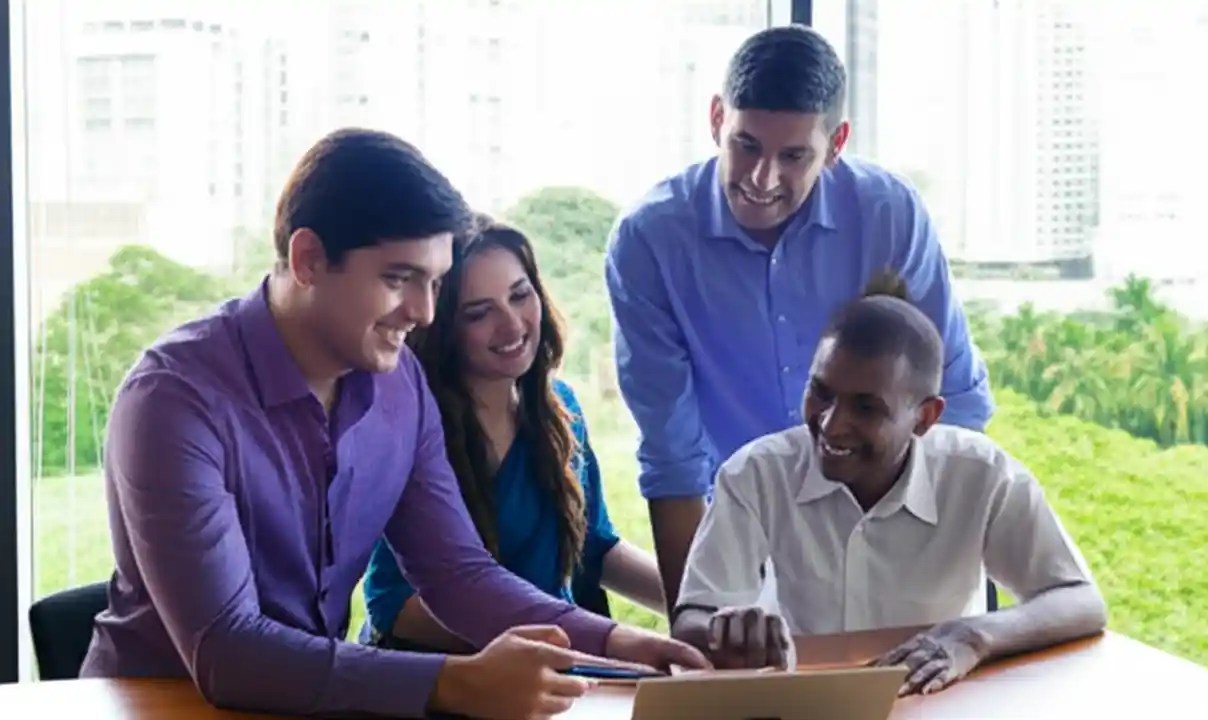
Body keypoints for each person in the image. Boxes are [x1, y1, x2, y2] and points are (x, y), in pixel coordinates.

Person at [79, 128, 707, 720]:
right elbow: (229, 650)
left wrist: (621, 641)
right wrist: (455, 683)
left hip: (301, 706)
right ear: (308, 258)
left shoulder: (400, 382)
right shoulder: (174, 399)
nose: (425, 312)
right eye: (399, 279)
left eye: (433, 282)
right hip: (160, 707)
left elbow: (456, 573)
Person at [604, 25, 996, 613]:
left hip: (894, 519)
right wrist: (698, 625)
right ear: (716, 119)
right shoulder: (649, 240)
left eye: (793, 156)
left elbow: (953, 402)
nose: (763, 179)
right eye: (746, 145)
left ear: (836, 142)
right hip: (748, 533)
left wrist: (941, 564)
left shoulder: (888, 214)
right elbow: (672, 459)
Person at [669, 271, 1107, 696]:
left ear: (925, 417)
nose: (831, 425)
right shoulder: (756, 473)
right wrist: (724, 630)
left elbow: (1080, 601)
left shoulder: (982, 475)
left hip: (940, 703)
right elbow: (692, 618)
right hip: (803, 706)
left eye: (866, 408)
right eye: (821, 392)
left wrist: (973, 636)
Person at [362, 215, 664, 652]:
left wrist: (698, 607)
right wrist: (558, 641)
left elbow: (594, 549)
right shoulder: (413, 427)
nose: (512, 325)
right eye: (479, 313)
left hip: (559, 662)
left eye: (520, 296)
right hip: (446, 682)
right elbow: (395, 606)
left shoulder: (561, 407)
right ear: (440, 326)